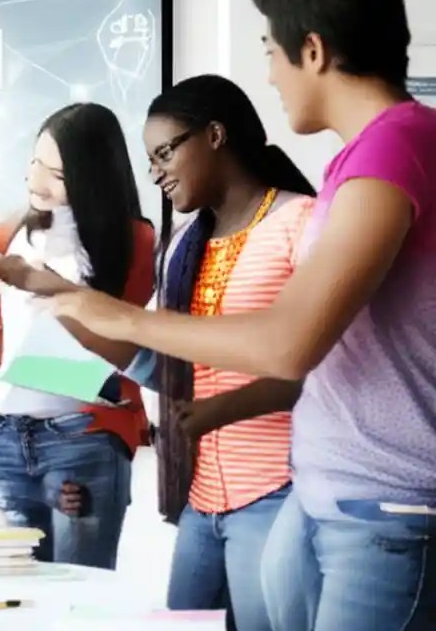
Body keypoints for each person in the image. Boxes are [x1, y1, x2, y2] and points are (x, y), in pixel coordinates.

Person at [45, 0, 436, 630]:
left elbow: (287, 346)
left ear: (312, 50)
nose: (271, 77)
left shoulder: (394, 150)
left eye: (271, 53)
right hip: (323, 498)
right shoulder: (360, 160)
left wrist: (121, 316)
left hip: (381, 506)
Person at [129, 75, 316, 630]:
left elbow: (318, 365)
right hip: (202, 497)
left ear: (214, 134)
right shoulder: (182, 246)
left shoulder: (301, 222)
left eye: (165, 152)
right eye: (150, 160)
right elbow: (174, 369)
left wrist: (218, 412)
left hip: (277, 492)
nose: (158, 170)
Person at [0, 103, 154, 571]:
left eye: (57, 173)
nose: (36, 181)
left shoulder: (136, 241)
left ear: (93, 176)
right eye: (34, 162)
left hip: (82, 440)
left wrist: (47, 286)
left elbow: (118, 343)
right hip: (3, 438)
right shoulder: (7, 232)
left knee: (78, 603)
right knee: (9, 602)